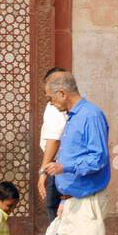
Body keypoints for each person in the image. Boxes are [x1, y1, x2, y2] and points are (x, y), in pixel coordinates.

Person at [41, 72, 111, 235]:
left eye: (51, 97)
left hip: (87, 201)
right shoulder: (72, 118)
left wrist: (65, 168)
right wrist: (64, 197)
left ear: (63, 93)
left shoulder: (90, 115)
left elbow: (98, 159)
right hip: (70, 203)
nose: (50, 102)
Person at [37, 68, 68, 223]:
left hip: (58, 165)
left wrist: (43, 172)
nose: (48, 98)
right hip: (62, 164)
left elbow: (54, 139)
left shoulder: (54, 107)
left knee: (55, 208)